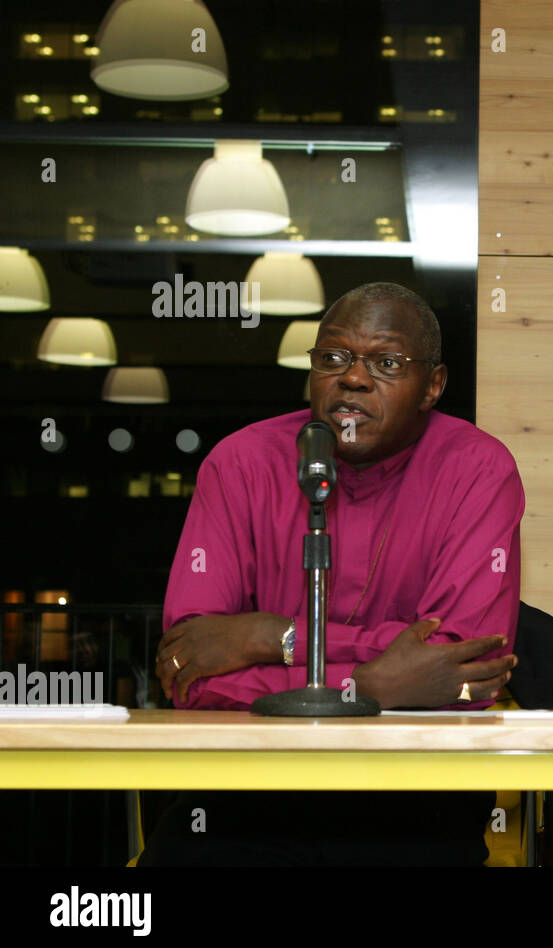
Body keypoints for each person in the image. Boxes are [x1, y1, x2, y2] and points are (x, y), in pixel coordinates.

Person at [139, 282, 525, 866]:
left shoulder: (477, 468)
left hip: (411, 797)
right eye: (333, 359)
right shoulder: (242, 463)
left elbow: (462, 674)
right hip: (247, 791)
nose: (353, 379)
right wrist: (374, 683)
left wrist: (268, 639)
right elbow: (188, 672)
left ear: (434, 386)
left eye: (387, 363)